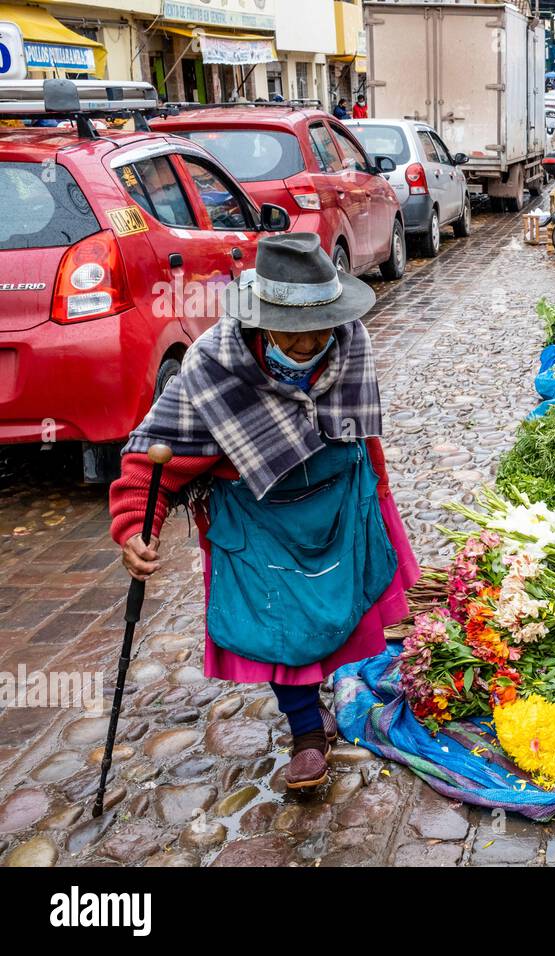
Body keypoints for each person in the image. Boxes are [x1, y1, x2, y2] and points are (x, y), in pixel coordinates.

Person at [110, 233, 419, 789]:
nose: (308, 346)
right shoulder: (214, 366)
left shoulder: (350, 343)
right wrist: (137, 526)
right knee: (283, 627)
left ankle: (334, 686)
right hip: (257, 517)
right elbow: (155, 459)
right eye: (293, 333)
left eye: (320, 328)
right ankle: (306, 729)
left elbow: (362, 431)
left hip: (337, 502)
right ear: (260, 320)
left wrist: (380, 496)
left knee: (343, 607)